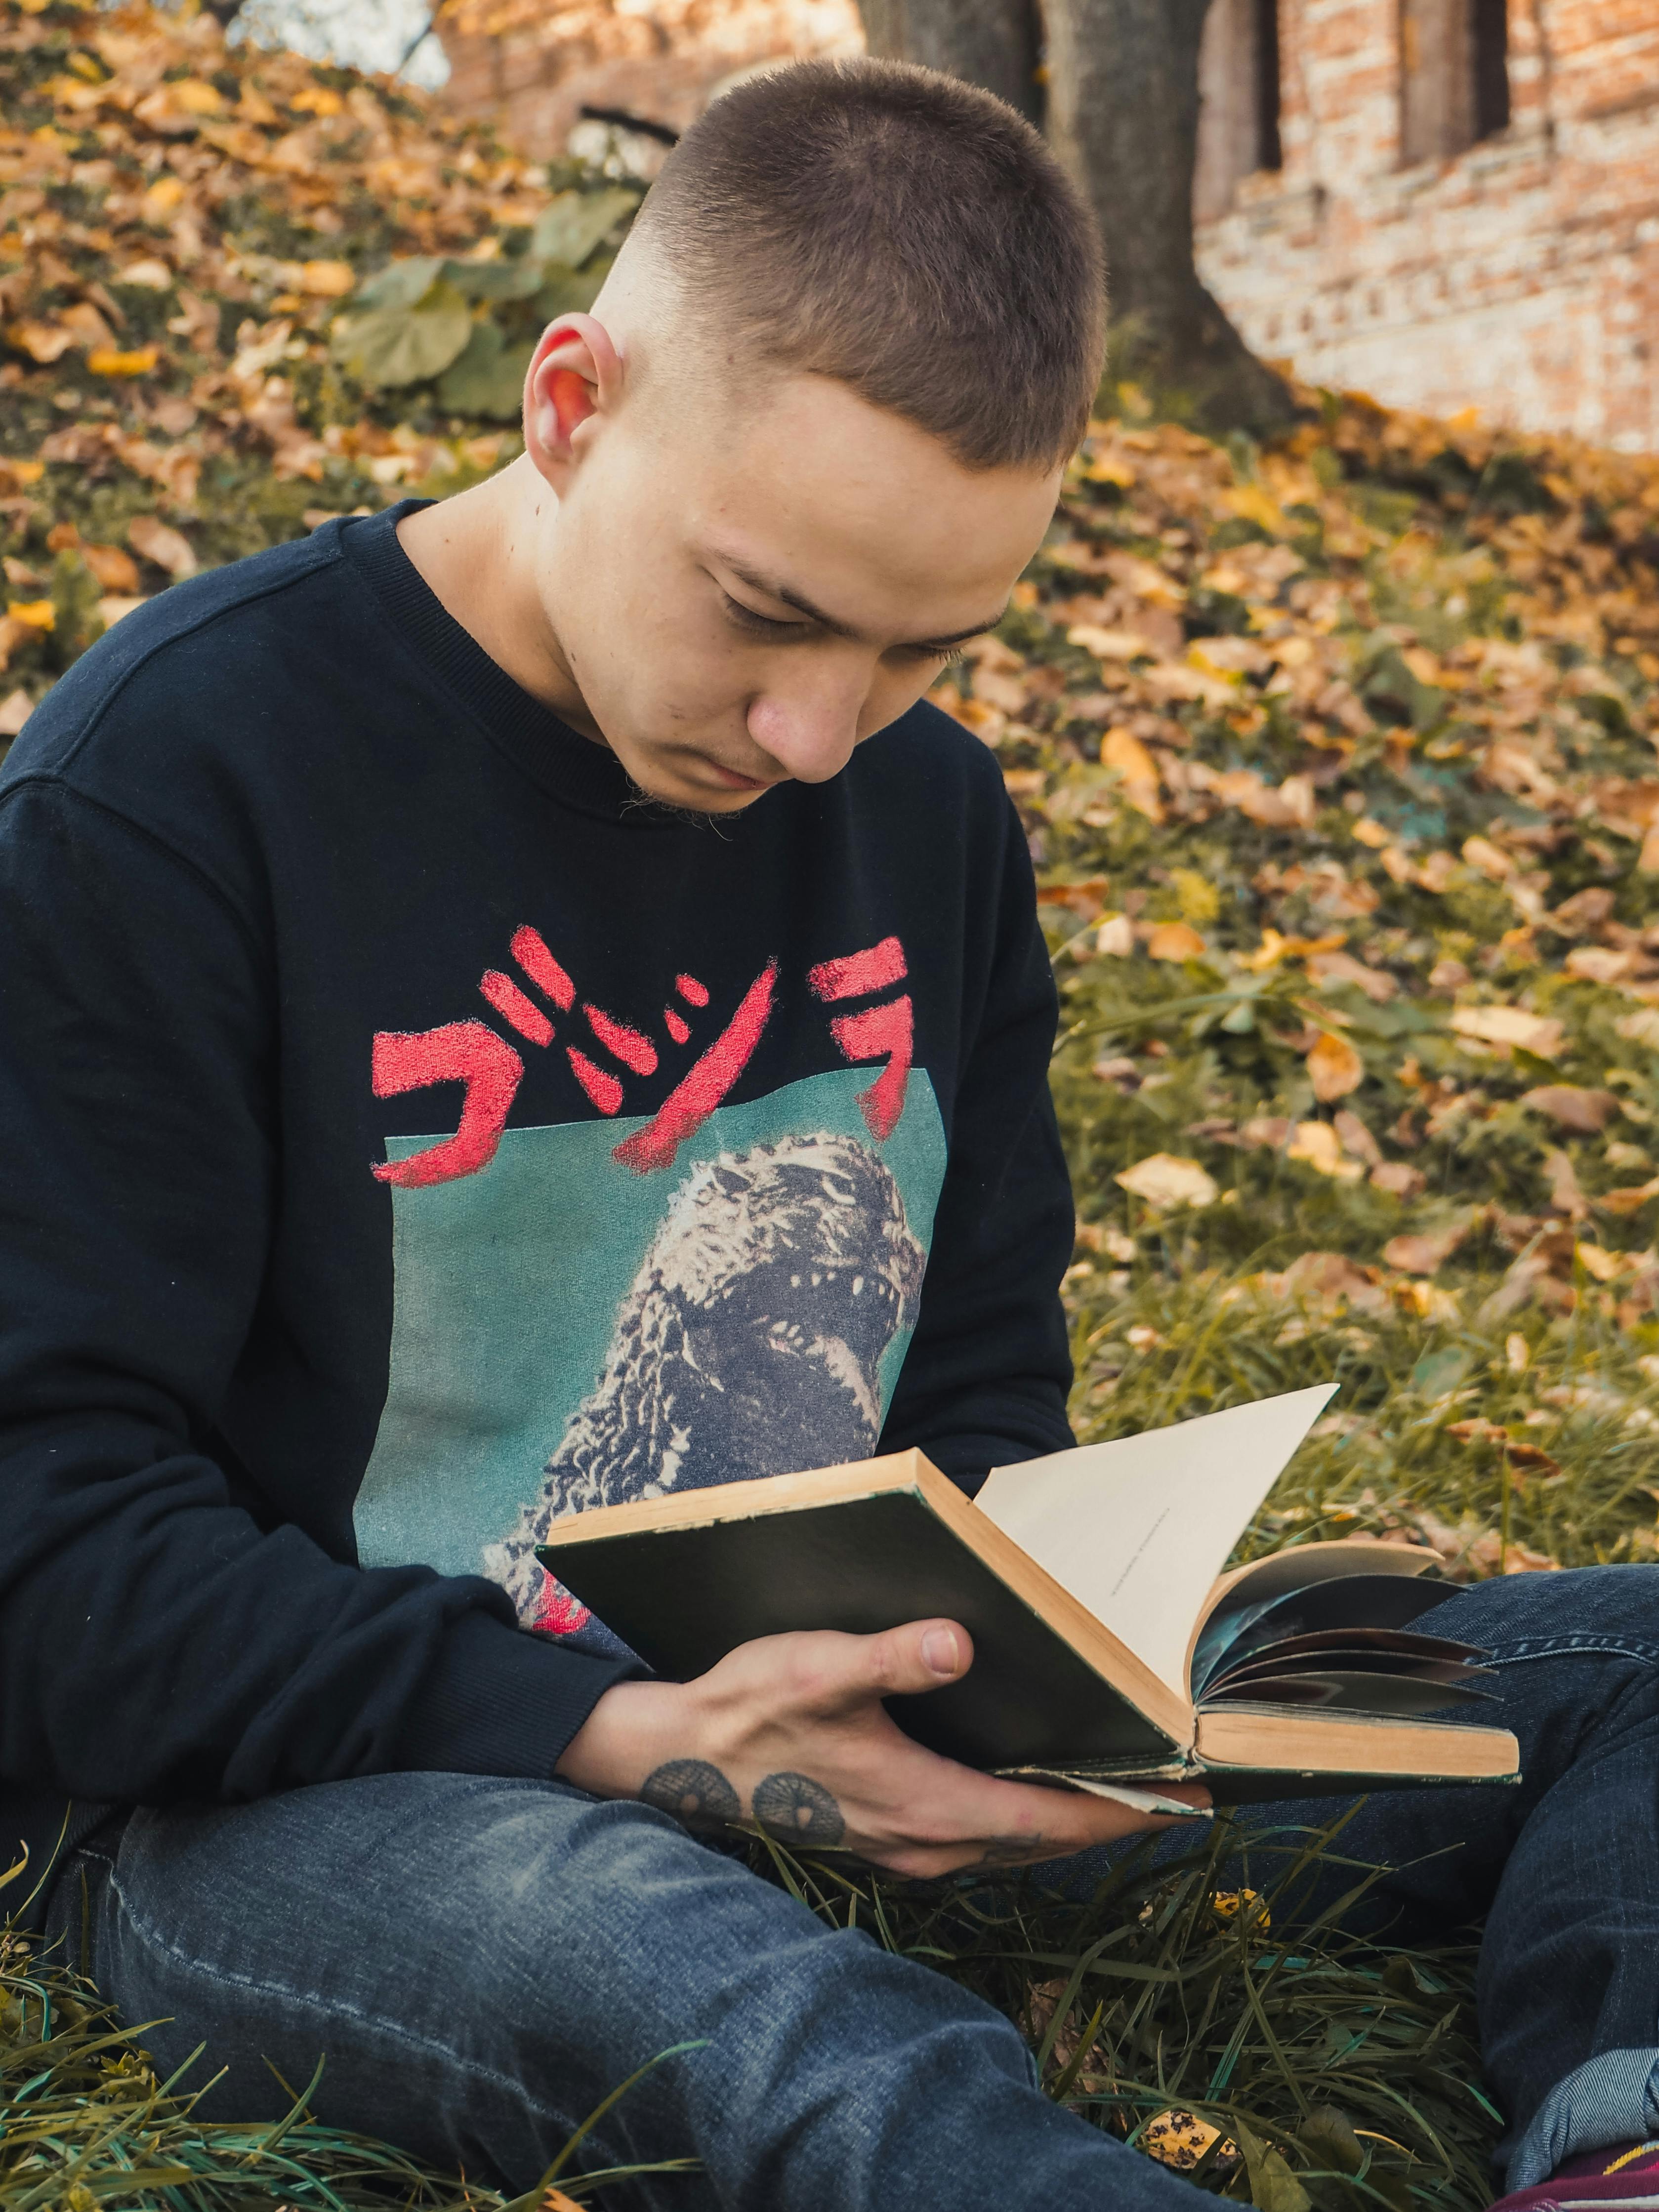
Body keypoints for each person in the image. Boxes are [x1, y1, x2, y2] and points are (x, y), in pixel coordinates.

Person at [0, 54, 1656, 2212]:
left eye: (921, 652)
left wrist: (1015, 1688)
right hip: (326, 1792)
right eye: (768, 614)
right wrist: (641, 1743)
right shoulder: (172, 786)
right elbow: (44, 1544)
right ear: (568, 401)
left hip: (870, 1730)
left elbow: (972, 1394)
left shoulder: (936, 817)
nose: (816, 736)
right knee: (765, 2012)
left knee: (1627, 1658)